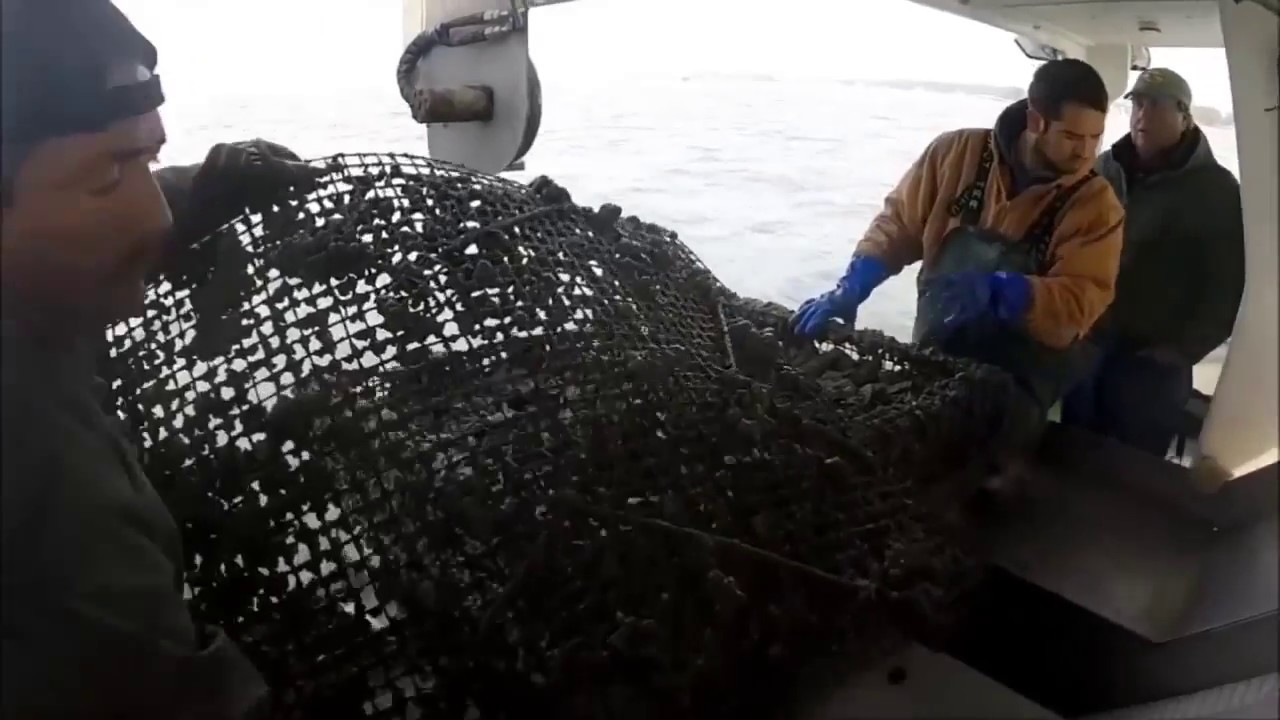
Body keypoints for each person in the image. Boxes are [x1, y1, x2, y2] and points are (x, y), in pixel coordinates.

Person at [1, 0, 327, 716]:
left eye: (147, 158)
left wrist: (201, 190)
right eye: (108, 181)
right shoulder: (40, 466)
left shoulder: (37, 295)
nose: (154, 216)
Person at [790, 59, 1125, 437]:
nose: (1085, 153)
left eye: (1094, 138)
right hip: (936, 347)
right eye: (1071, 137)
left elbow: (1083, 298)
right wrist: (853, 285)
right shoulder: (955, 153)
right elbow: (898, 224)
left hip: (1024, 374)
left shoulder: (1096, 204)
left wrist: (1006, 292)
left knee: (996, 447)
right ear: (1035, 121)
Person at [1060, 68, 1246, 457]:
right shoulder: (1104, 167)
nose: (1142, 114)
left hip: (1154, 360)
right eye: (1137, 104)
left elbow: (1227, 286)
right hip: (1089, 340)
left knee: (1136, 466)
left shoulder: (1216, 190)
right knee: (1074, 446)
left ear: (1184, 116)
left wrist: (1180, 352)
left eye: (1156, 105)